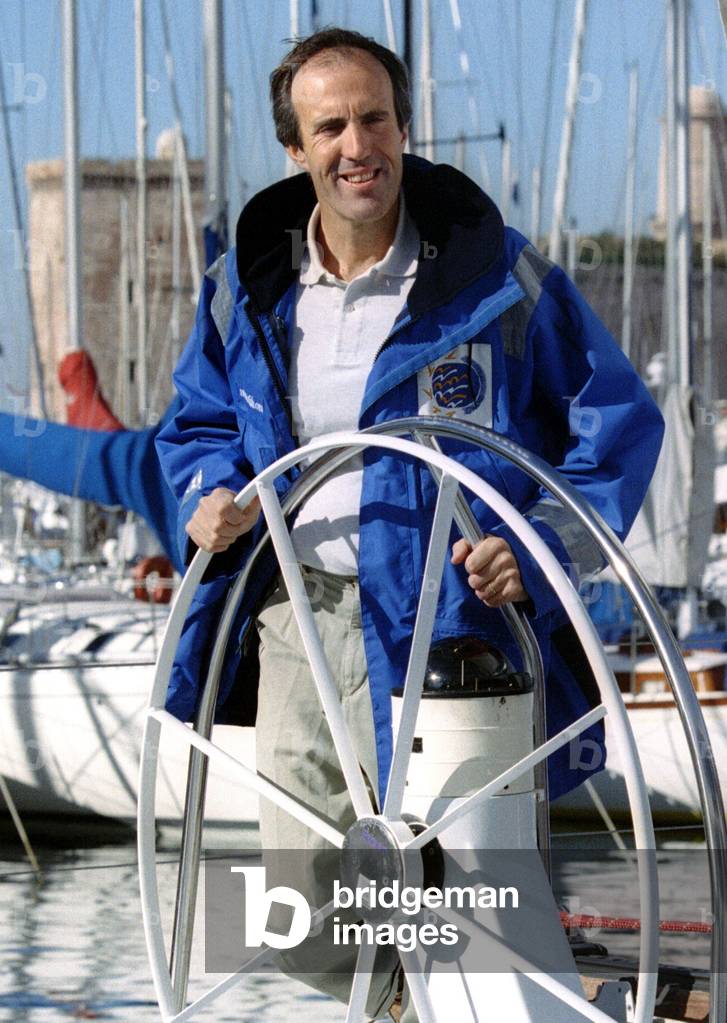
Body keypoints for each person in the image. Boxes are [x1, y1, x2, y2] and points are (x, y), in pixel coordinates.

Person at [155, 27, 663, 1021]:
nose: (358, 145)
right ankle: (396, 1000)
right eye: (331, 125)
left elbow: (616, 426)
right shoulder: (243, 292)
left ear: (404, 126)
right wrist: (208, 492)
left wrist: (539, 547)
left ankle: (453, 1003)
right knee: (298, 912)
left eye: (374, 117)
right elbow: (198, 422)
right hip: (301, 618)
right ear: (296, 149)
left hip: (455, 624)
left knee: (468, 887)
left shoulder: (496, 281)